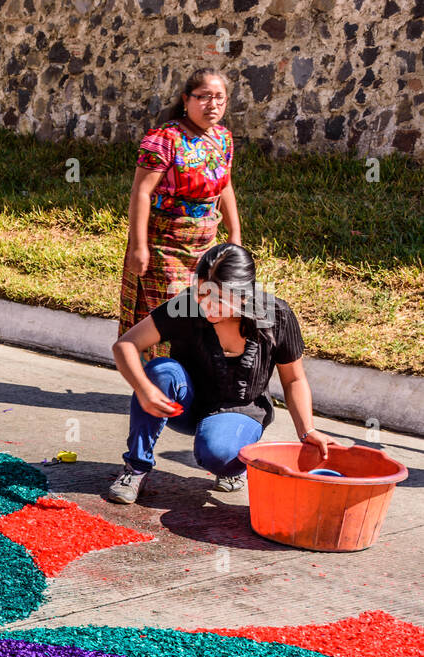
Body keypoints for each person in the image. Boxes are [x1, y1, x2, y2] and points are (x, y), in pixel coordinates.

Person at [107, 243, 333, 505]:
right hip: (187, 405)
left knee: (219, 455)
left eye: (220, 299)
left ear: (244, 296)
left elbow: (293, 379)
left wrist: (307, 431)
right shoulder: (186, 306)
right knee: (161, 372)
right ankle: (136, 468)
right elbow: (125, 345)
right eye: (203, 294)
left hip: (241, 409)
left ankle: (232, 465)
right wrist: (144, 389)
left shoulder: (277, 315)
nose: (207, 305)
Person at [121, 67, 241, 362]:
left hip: (206, 247)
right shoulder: (164, 138)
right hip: (165, 245)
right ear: (186, 99)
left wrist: (234, 233)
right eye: (204, 97)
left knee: (201, 311)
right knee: (170, 312)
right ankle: (161, 379)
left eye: (219, 98)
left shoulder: (223, 139)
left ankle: (189, 383)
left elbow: (224, 186)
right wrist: (138, 246)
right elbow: (141, 192)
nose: (212, 105)